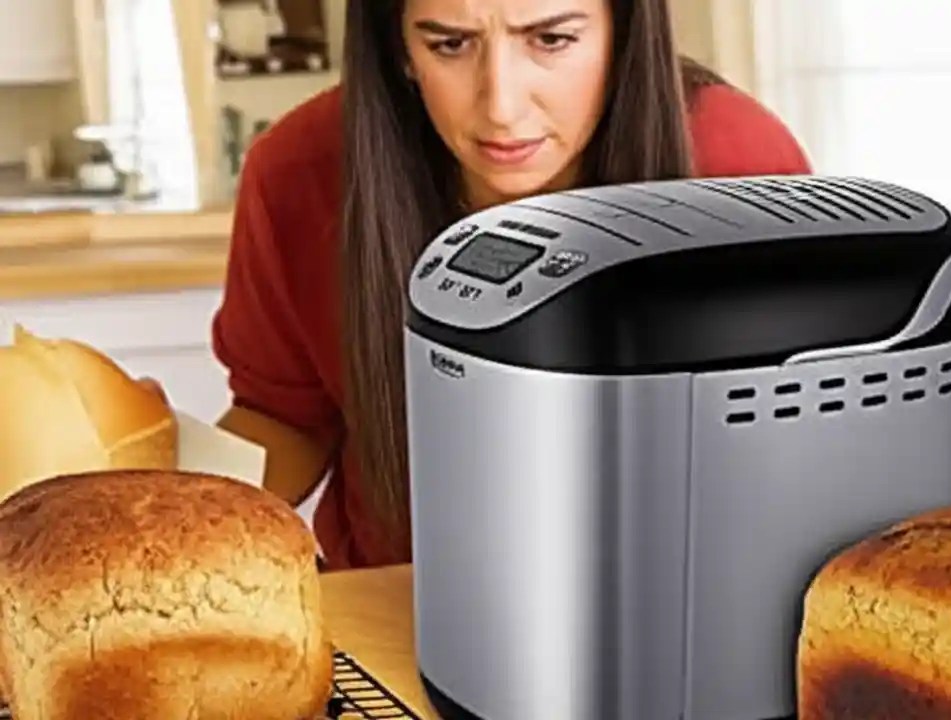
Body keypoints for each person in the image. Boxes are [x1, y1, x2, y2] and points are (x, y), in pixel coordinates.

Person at [178, 0, 812, 571]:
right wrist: (161, 503)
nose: (501, 107)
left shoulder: (740, 167)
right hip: (392, 606)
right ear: (399, 45)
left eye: (552, 40)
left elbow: (794, 456)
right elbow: (285, 418)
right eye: (450, 44)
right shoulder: (298, 173)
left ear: (622, 30)